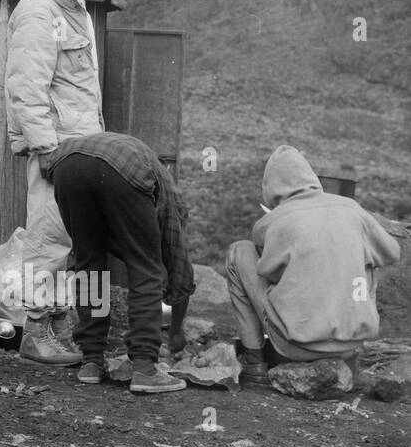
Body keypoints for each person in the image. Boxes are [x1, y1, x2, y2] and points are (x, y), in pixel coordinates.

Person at [4, 0, 105, 365]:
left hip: (79, 146)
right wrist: (45, 147)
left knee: (70, 239)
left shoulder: (72, 9)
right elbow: (26, 88)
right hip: (57, 147)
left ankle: (60, 327)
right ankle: (35, 331)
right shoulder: (38, 11)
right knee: (46, 239)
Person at [227, 145, 401, 384]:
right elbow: (392, 252)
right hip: (351, 344)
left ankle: (254, 361)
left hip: (295, 345)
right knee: (369, 258)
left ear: (270, 187)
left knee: (240, 251)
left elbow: (268, 272)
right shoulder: (351, 208)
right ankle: (349, 357)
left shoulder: (273, 221)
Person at [42, 131, 193, 393]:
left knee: (90, 266)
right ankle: (145, 369)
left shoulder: (148, 184)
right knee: (145, 268)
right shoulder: (173, 207)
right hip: (119, 167)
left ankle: (91, 362)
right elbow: (179, 271)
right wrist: (177, 331)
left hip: (67, 164)